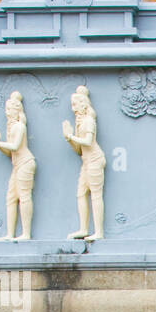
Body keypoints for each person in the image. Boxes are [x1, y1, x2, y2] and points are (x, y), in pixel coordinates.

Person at [0, 91, 36, 242]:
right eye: (6, 109)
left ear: (17, 111)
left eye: (10, 109)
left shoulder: (19, 126)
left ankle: (26, 233)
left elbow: (15, 146)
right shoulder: (11, 128)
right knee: (11, 198)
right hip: (17, 165)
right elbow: (10, 152)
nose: (7, 112)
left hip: (26, 163)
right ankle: (10, 233)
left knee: (24, 197)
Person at [63, 85, 105, 241]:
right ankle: (83, 228)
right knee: (81, 194)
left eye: (75, 105)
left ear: (83, 104)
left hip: (95, 160)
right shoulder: (80, 123)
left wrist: (72, 136)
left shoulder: (88, 121)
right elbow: (79, 150)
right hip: (86, 162)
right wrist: (69, 138)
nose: (73, 109)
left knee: (95, 195)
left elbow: (88, 142)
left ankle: (99, 232)